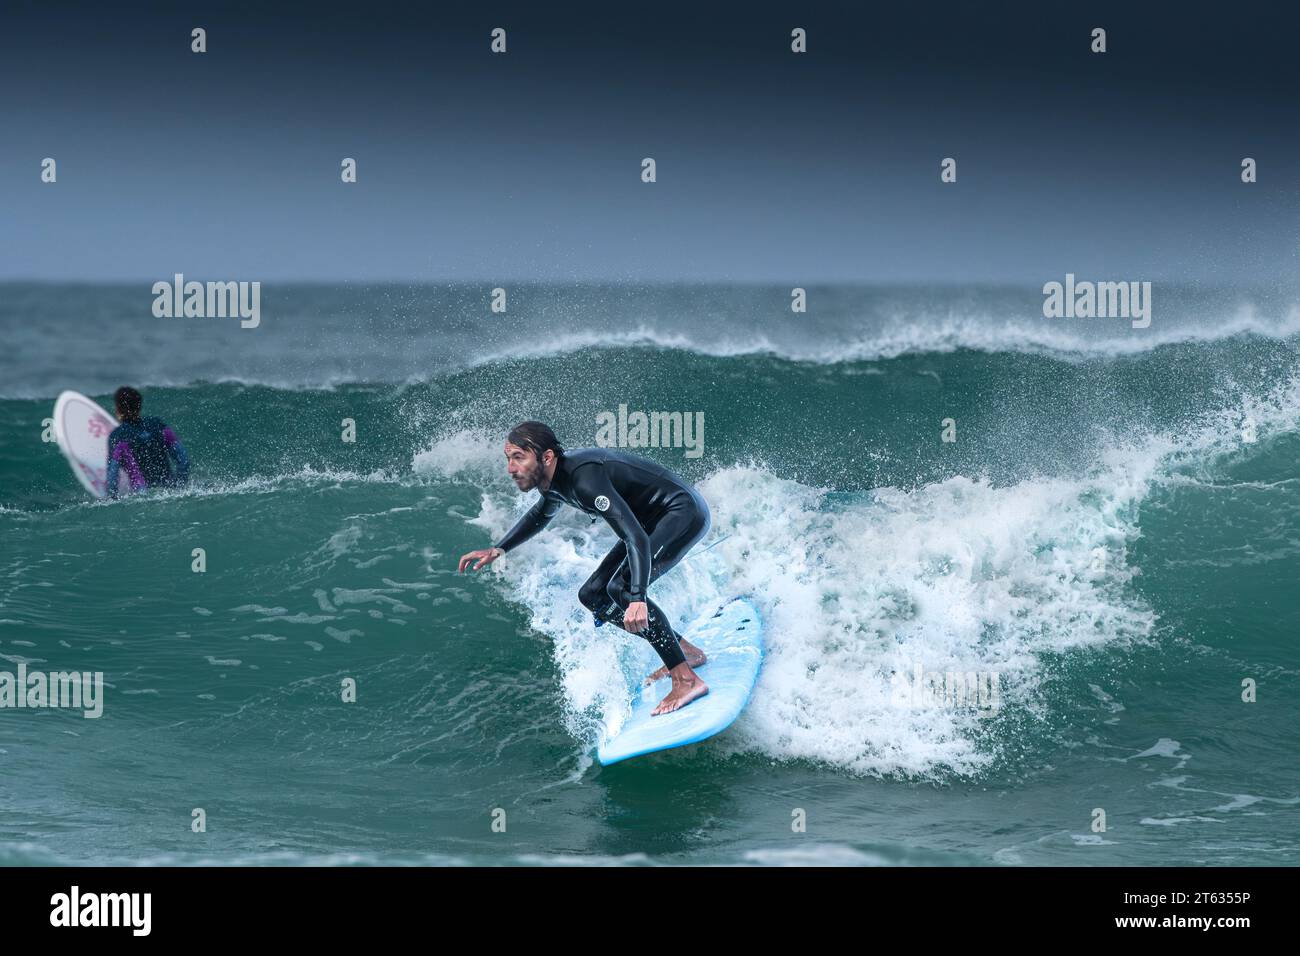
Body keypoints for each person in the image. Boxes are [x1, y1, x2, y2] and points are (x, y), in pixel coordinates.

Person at [458, 422, 711, 715]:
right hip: (650, 521)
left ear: (547, 457)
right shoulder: (554, 483)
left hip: (681, 512)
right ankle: (686, 654)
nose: (511, 468)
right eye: (508, 459)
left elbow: (635, 537)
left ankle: (685, 679)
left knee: (623, 589)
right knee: (593, 595)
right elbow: (540, 514)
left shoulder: (584, 480)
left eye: (518, 457)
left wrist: (638, 597)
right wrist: (499, 549)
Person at [104, 387, 190, 498]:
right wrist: (180, 487)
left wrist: (112, 498)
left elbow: (112, 475)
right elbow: (184, 461)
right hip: (169, 492)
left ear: (118, 408)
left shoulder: (118, 436)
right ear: (139, 406)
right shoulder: (158, 425)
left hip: (143, 497)